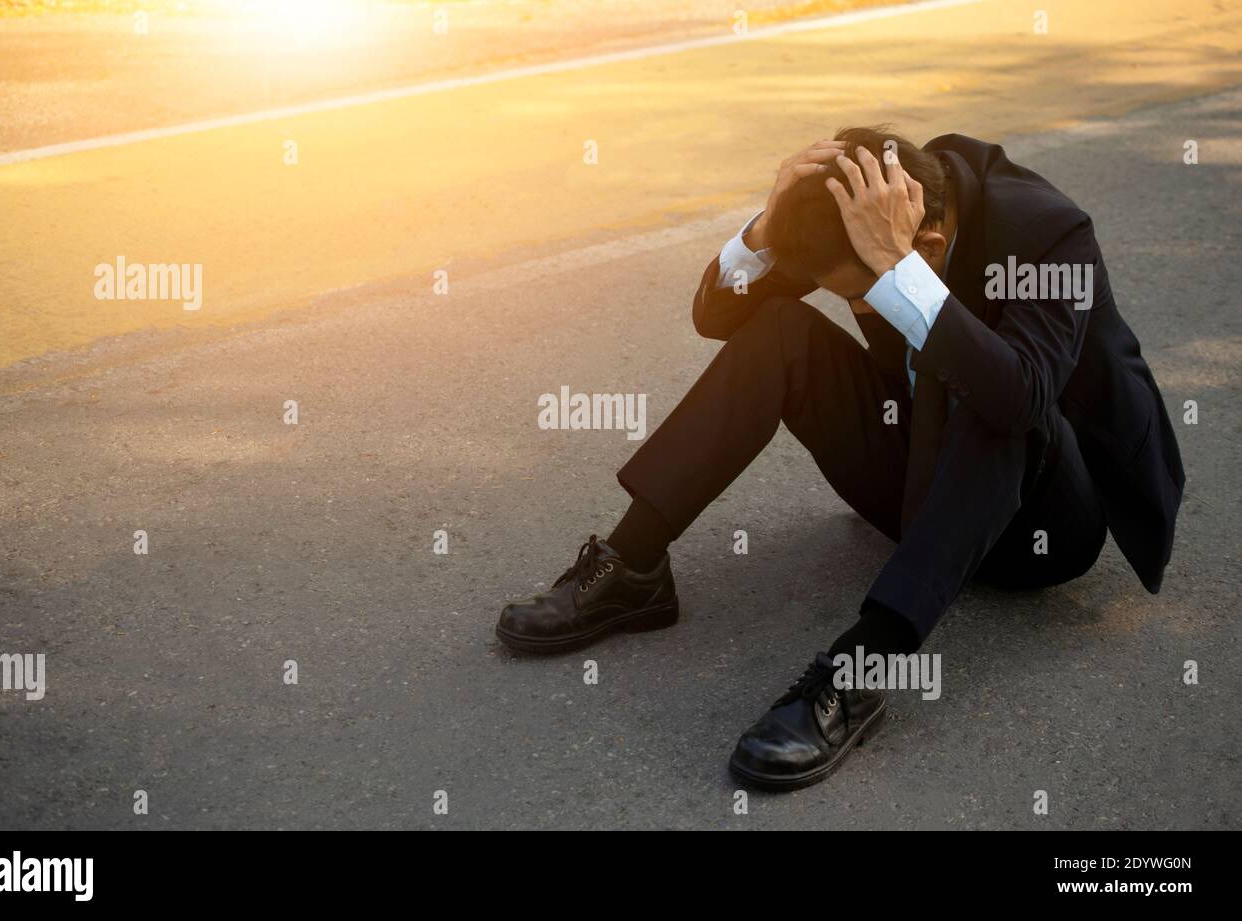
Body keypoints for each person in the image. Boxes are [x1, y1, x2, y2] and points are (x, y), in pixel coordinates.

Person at [495, 127, 1184, 791]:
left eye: (864, 295)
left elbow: (1022, 395)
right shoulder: (873, 201)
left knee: (996, 390)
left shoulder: (1049, 235)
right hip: (919, 482)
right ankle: (635, 566)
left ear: (930, 243)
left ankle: (861, 668)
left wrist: (899, 274)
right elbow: (718, 319)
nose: (863, 308)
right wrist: (765, 231)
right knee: (779, 330)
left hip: (1044, 525)